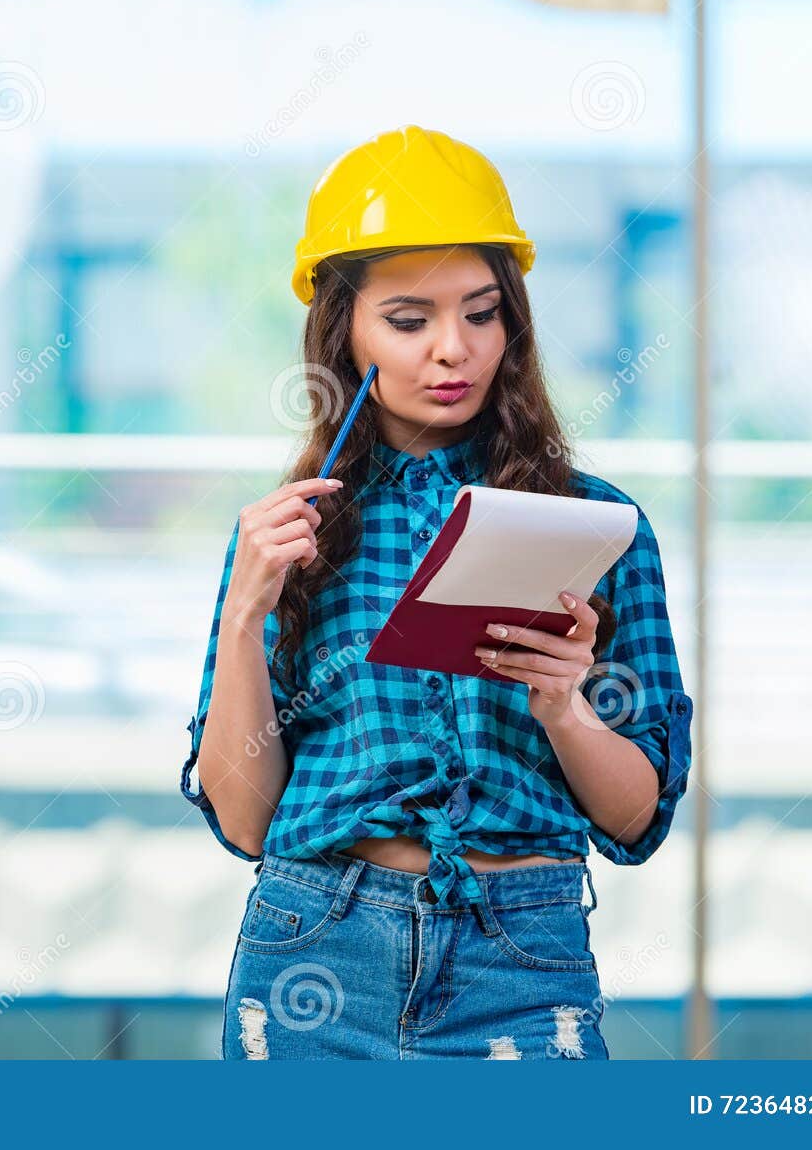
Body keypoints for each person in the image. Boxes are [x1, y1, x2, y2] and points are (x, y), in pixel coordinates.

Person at [181, 126, 694, 1060]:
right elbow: (248, 821)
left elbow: (634, 820)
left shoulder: (595, 527)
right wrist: (246, 613)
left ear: (515, 323)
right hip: (316, 952)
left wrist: (565, 707)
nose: (453, 349)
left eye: (482, 312)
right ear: (347, 333)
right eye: (410, 320)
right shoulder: (288, 537)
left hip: (520, 959)